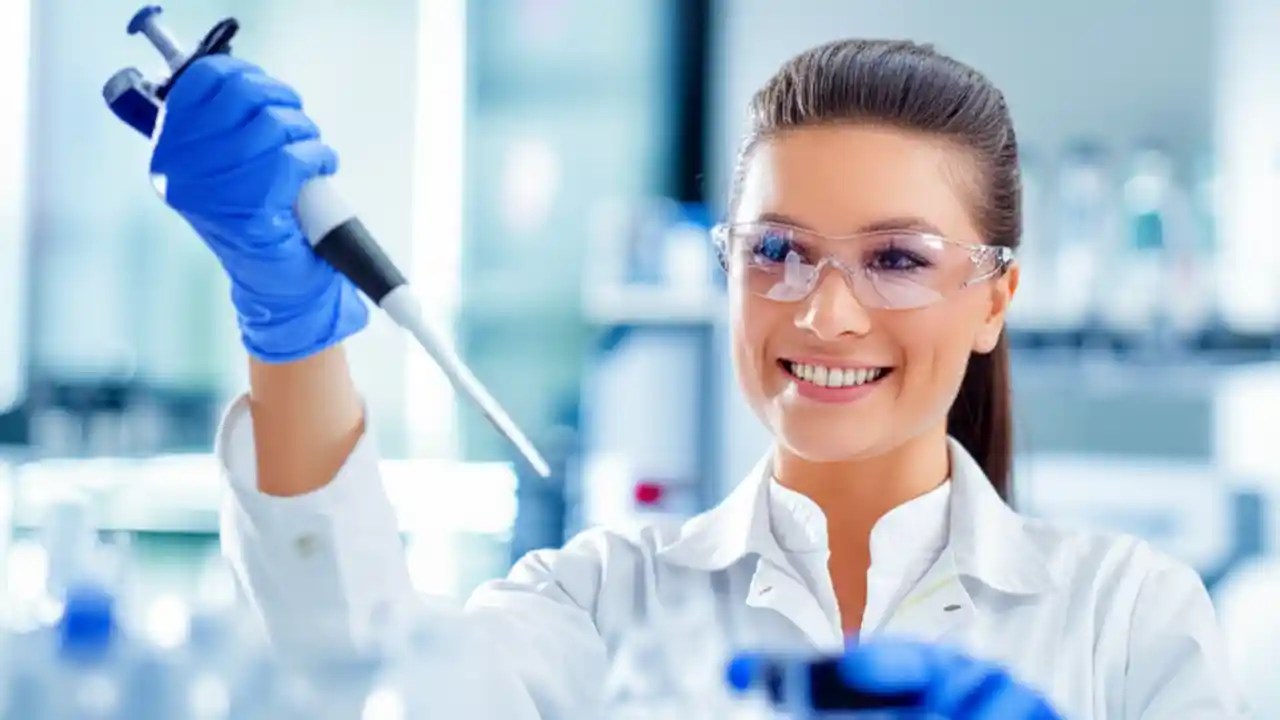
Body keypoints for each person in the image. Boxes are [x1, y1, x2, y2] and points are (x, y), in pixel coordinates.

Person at [151, 39, 1248, 718]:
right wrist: (290, 336)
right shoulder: (599, 604)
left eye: (897, 260)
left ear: (993, 300)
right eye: (776, 250)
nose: (822, 311)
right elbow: (354, 680)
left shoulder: (1126, 618)